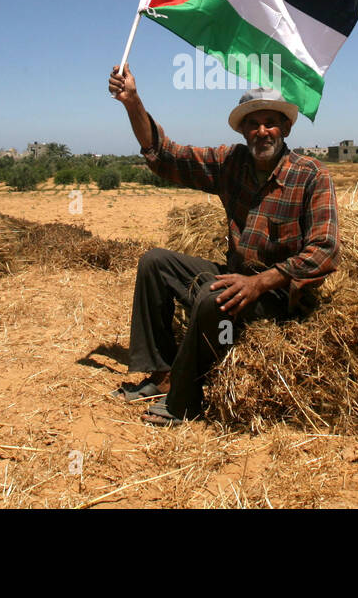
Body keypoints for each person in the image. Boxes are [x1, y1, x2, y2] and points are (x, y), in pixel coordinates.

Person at [107, 63, 340, 426]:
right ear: (244, 130)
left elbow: (324, 250)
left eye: (270, 122)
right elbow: (165, 155)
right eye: (253, 123)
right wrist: (132, 102)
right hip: (236, 277)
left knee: (212, 296)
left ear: (286, 128)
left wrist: (259, 283)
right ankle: (161, 373)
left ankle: (184, 402)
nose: (262, 131)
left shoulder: (311, 175)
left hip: (280, 297)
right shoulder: (231, 162)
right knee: (154, 262)